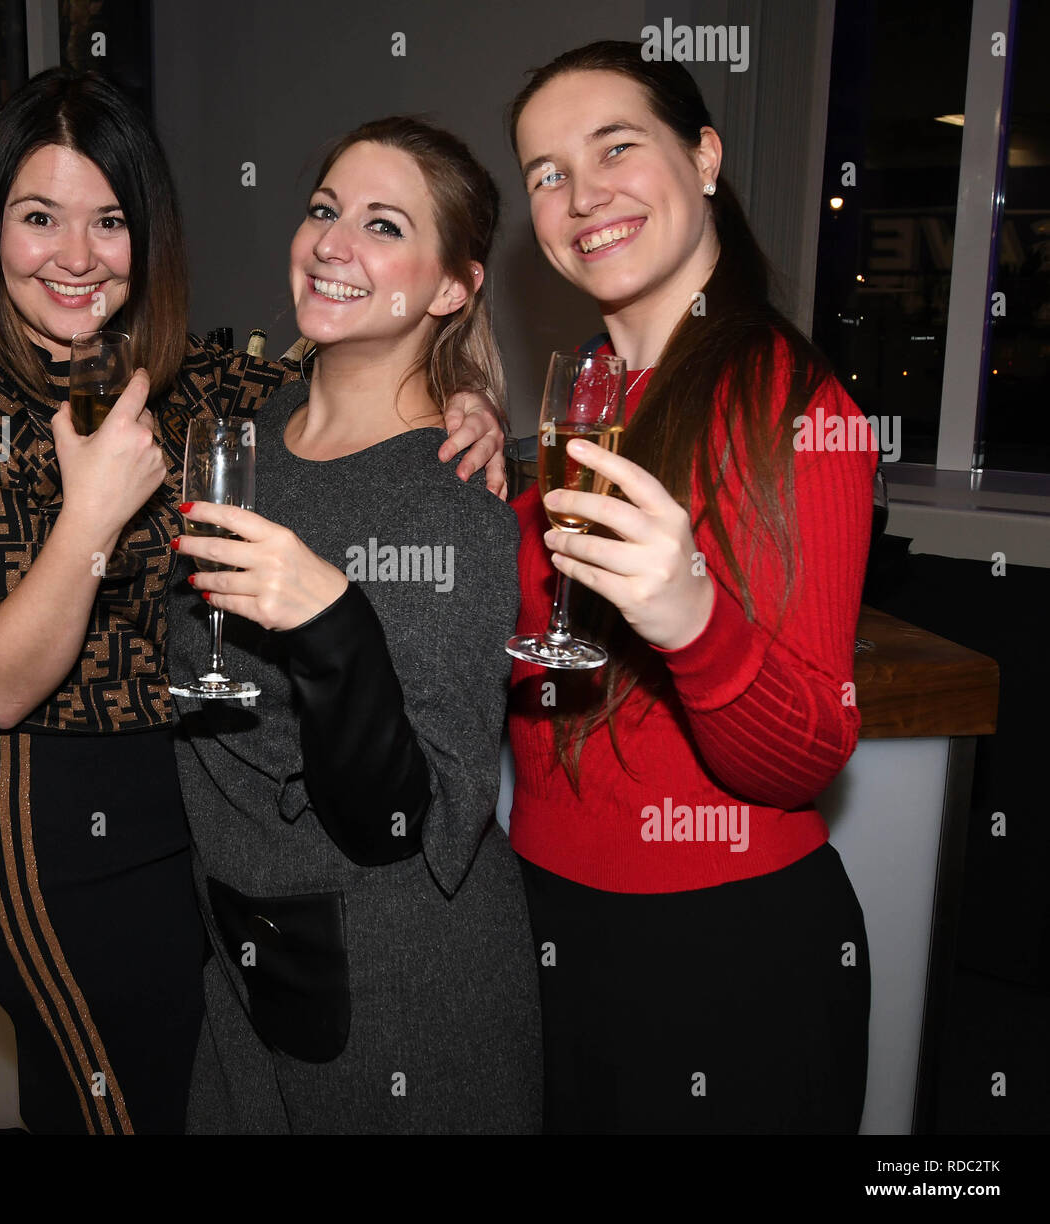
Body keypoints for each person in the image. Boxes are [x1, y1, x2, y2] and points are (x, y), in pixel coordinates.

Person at [0, 69, 506, 1134]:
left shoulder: (181, 379)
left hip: (165, 812)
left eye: (109, 221)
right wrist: (88, 517)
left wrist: (464, 394)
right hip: (40, 819)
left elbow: (339, 399)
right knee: (116, 1105)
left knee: (150, 1089)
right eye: (40, 218)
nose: (76, 257)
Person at [505, 41, 873, 1133]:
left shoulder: (795, 406)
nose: (580, 196)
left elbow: (808, 749)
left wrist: (693, 622)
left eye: (616, 148)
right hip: (547, 918)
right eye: (545, 173)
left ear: (704, 156)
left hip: (715, 952)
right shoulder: (586, 401)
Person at [169, 116, 541, 1134]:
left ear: (452, 286)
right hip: (242, 956)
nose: (333, 244)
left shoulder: (451, 498)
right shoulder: (240, 443)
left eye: (383, 225)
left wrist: (330, 617)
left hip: (398, 990)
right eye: (324, 210)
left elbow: (407, 822)